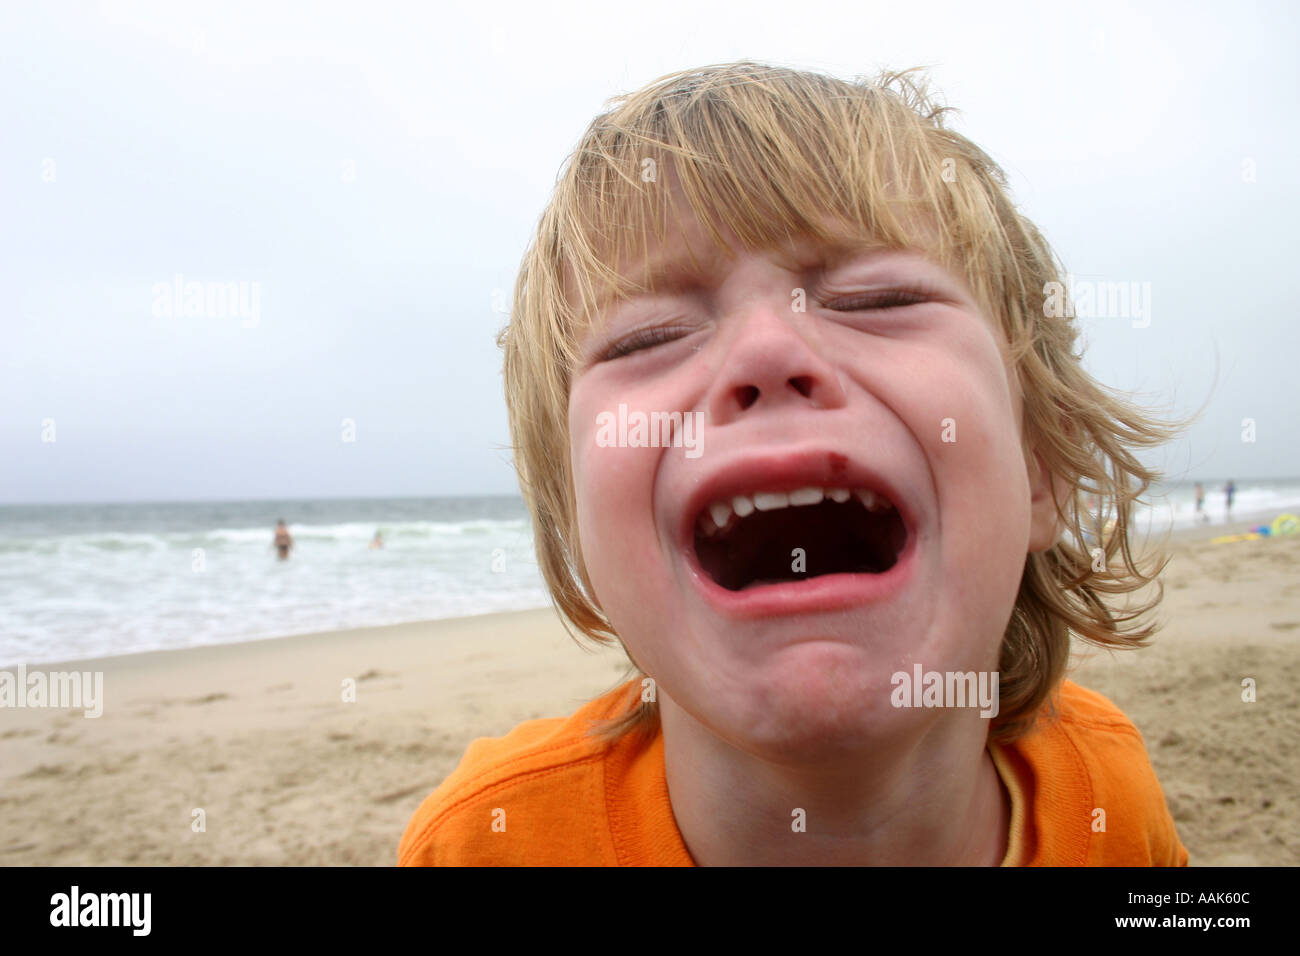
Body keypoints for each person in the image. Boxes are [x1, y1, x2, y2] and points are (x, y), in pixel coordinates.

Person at [399, 63, 1188, 866]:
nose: (769, 351)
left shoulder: (1110, 798)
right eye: (648, 337)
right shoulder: (481, 847)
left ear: (1040, 467)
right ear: (580, 536)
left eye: (879, 299)